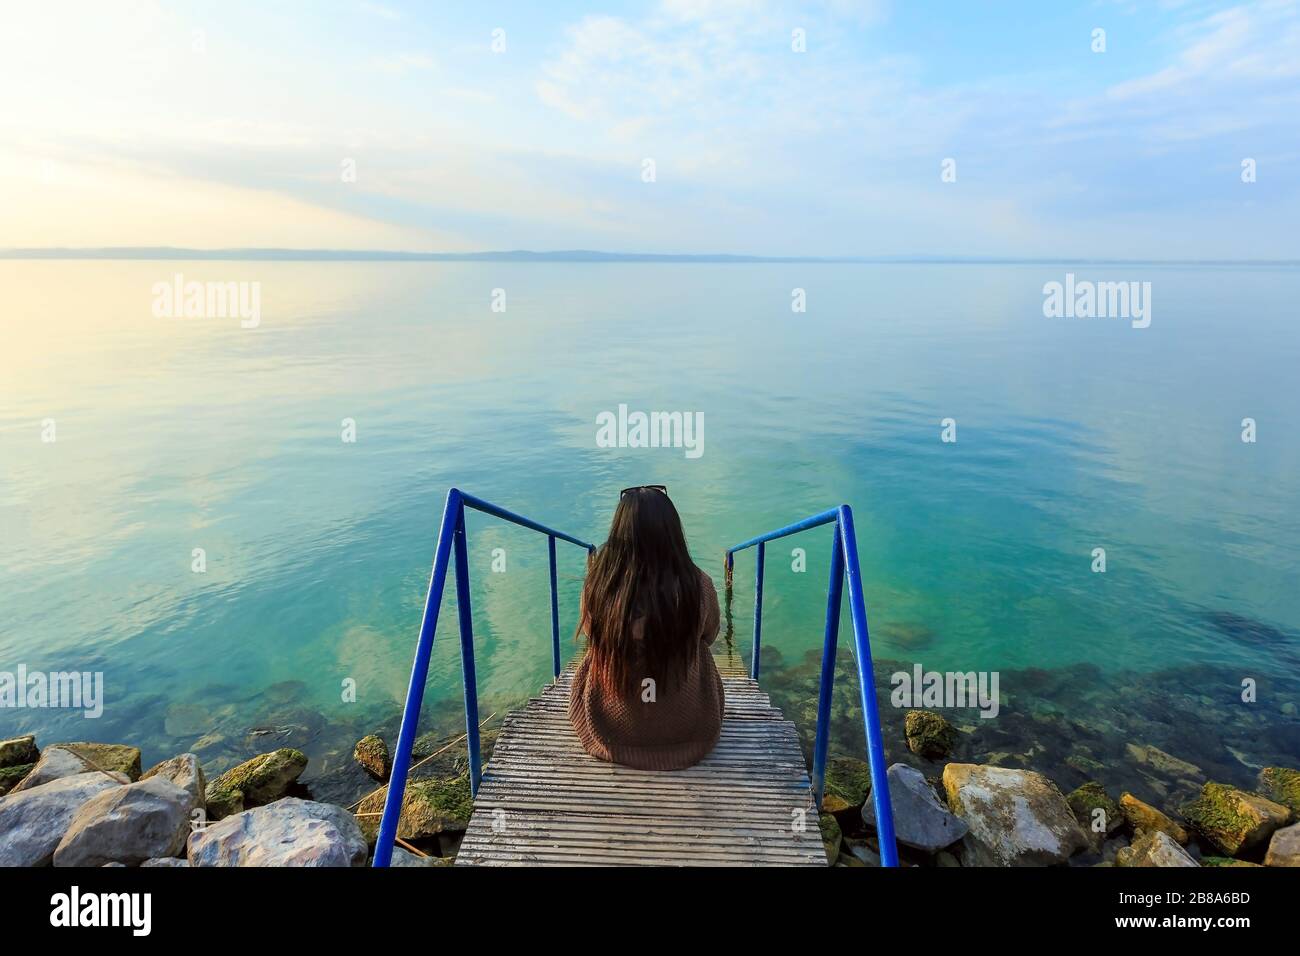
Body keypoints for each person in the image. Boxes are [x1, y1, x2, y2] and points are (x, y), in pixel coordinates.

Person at [568, 485, 724, 770]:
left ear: (618, 531)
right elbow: (709, 635)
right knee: (698, 647)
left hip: (611, 728)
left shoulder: (598, 584)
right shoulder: (699, 585)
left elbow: (592, 635)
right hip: (687, 730)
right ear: (672, 531)